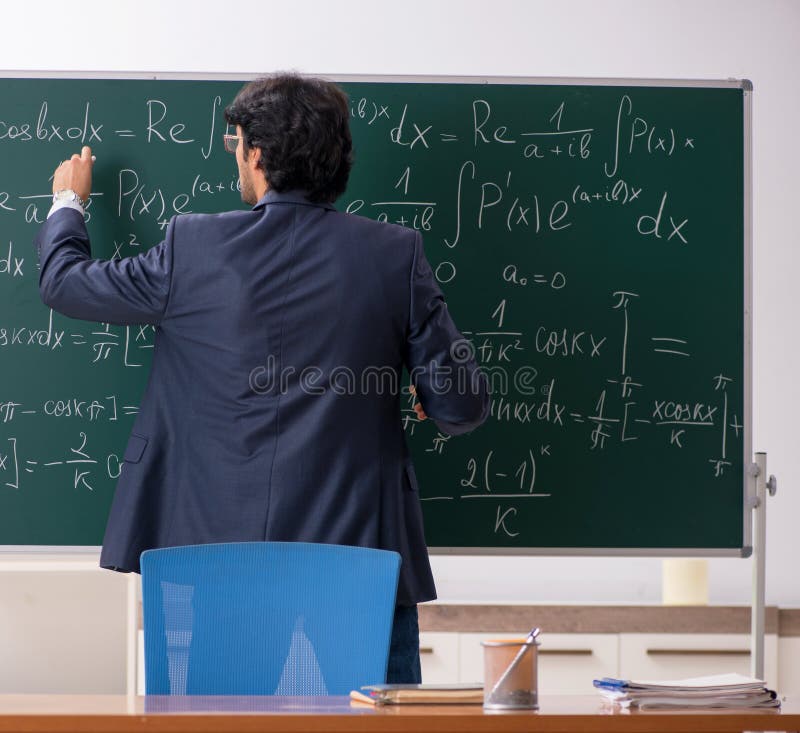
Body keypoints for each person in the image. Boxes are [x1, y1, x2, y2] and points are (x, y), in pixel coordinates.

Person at [35, 73, 490, 684]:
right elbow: (461, 404)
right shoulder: (395, 255)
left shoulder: (190, 247)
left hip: (216, 561)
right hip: (358, 561)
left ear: (256, 153)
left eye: (236, 145)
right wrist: (429, 392)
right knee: (377, 728)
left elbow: (64, 283)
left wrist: (70, 202)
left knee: (214, 725)